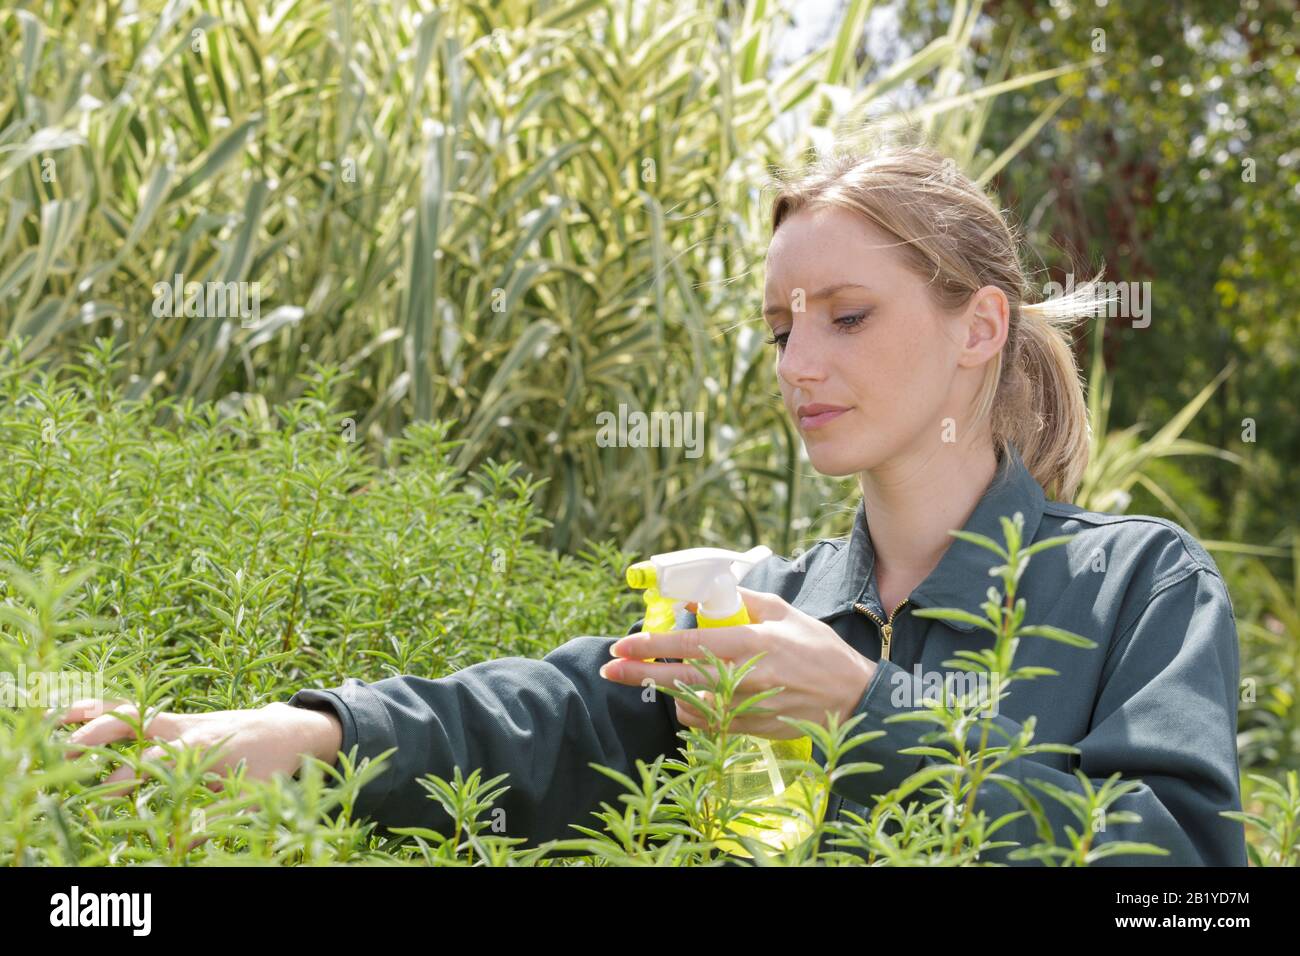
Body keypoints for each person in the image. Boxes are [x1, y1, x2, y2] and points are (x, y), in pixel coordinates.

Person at [50, 139, 1247, 866]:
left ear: (979, 324)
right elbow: (541, 715)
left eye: (846, 314)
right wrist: (298, 731)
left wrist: (867, 713)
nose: (796, 363)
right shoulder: (757, 608)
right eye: (779, 327)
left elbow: (1182, 879)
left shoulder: (1137, 585)